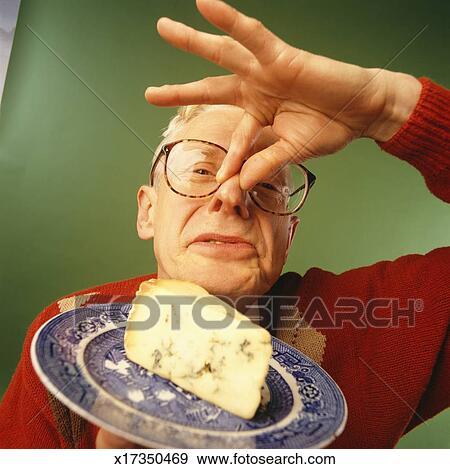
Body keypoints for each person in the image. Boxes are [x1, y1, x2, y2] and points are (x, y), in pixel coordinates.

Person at [0, 0, 448, 449]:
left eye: (268, 185)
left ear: (287, 236)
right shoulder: (68, 332)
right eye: (200, 170)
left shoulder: (371, 331)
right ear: (148, 211)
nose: (232, 195)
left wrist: (387, 107)